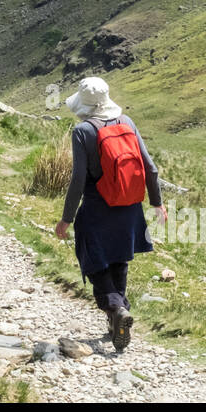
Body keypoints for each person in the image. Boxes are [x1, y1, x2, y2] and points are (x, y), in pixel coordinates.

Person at [54, 77, 167, 352]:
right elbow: (150, 168)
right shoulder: (127, 123)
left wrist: (66, 218)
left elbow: (78, 179)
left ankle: (116, 309)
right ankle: (116, 317)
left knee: (94, 259)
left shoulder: (82, 131)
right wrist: (157, 203)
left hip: (97, 205)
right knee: (119, 257)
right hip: (129, 206)